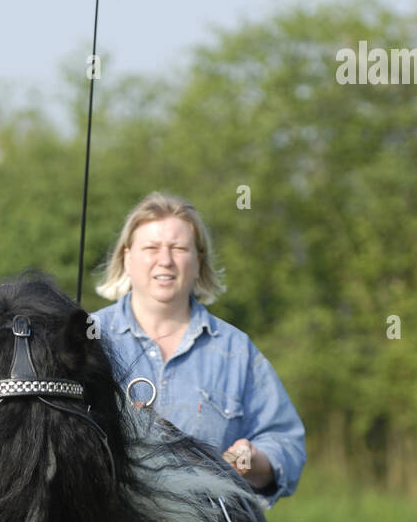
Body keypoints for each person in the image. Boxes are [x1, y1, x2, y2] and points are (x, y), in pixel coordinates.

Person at [93, 192, 305, 504]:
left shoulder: (237, 351)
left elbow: (287, 446)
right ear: (127, 257)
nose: (164, 260)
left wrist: (252, 461)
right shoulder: (85, 339)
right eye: (151, 248)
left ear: (198, 260)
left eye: (178, 248)